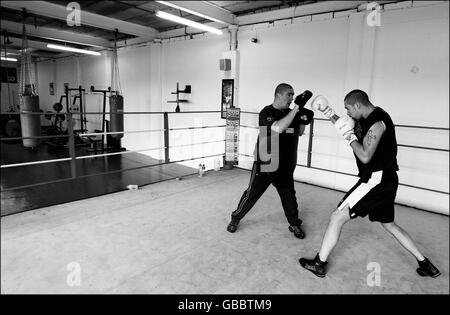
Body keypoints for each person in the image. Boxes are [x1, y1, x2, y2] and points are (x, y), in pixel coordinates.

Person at [299, 90, 440, 278]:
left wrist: (350, 138)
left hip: (376, 180)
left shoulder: (377, 123)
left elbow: (365, 156)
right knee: (389, 224)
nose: (347, 113)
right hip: (387, 179)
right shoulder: (363, 117)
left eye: (348, 109)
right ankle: (426, 264)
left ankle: (319, 263)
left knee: (337, 216)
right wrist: (327, 111)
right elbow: (345, 125)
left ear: (357, 105)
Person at [226, 83, 314, 239]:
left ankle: (294, 223)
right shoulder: (267, 112)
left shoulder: (292, 113)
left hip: (285, 164)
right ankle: (236, 217)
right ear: (279, 95)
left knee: (289, 197)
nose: (292, 98)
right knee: (251, 194)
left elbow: (299, 132)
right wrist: (296, 109)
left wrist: (303, 117)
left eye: (294, 96)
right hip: (266, 162)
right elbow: (277, 129)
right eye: (289, 95)